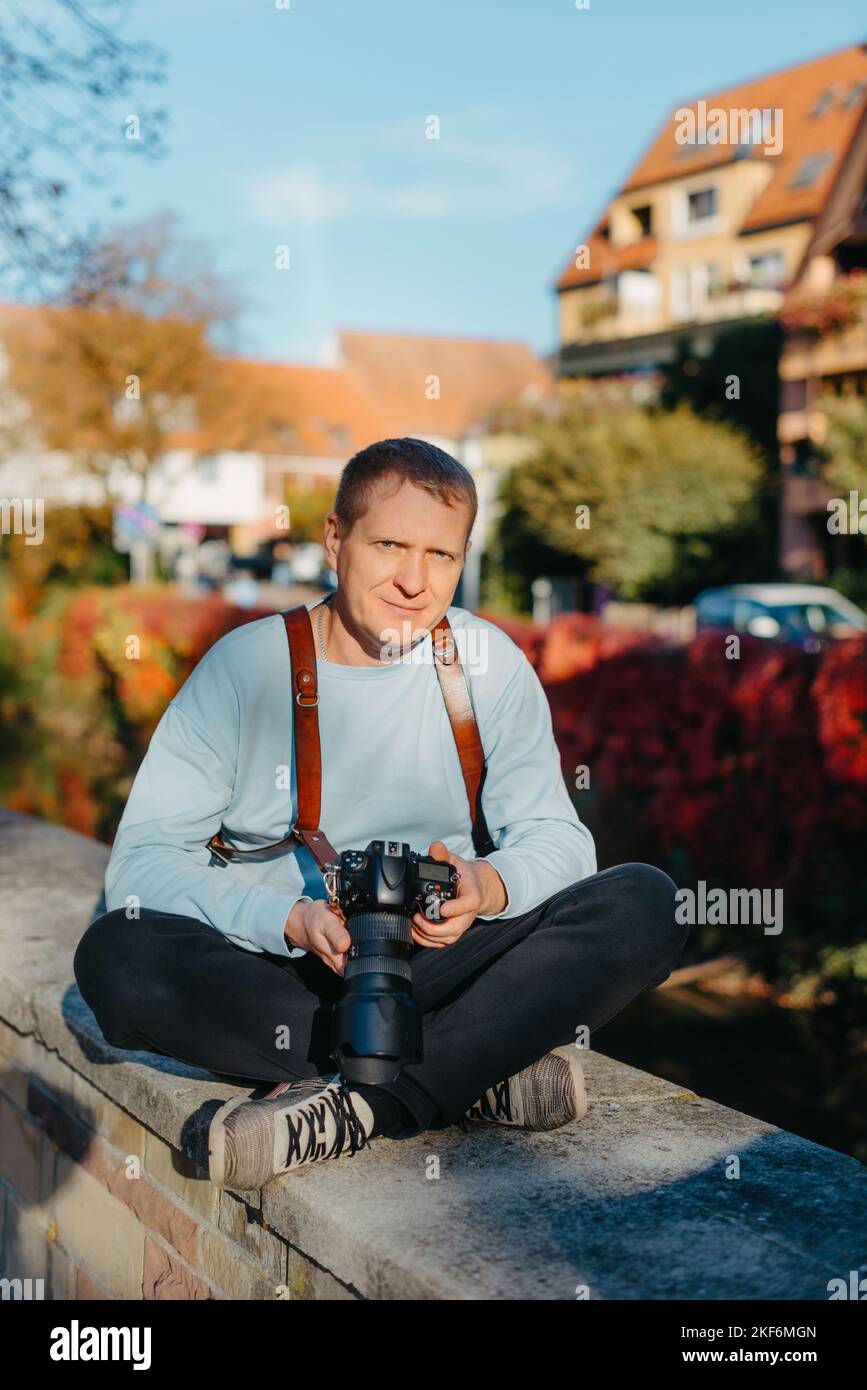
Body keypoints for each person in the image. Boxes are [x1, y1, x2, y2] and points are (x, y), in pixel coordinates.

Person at [73, 437, 687, 1191]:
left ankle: (358, 1108)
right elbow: (140, 867)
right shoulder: (244, 668)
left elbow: (556, 838)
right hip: (290, 972)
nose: (412, 581)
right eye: (389, 544)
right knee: (117, 956)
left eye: (440, 556)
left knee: (642, 903)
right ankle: (468, 1067)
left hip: (438, 959)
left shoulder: (485, 665)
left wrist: (484, 886)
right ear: (336, 538)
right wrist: (292, 921)